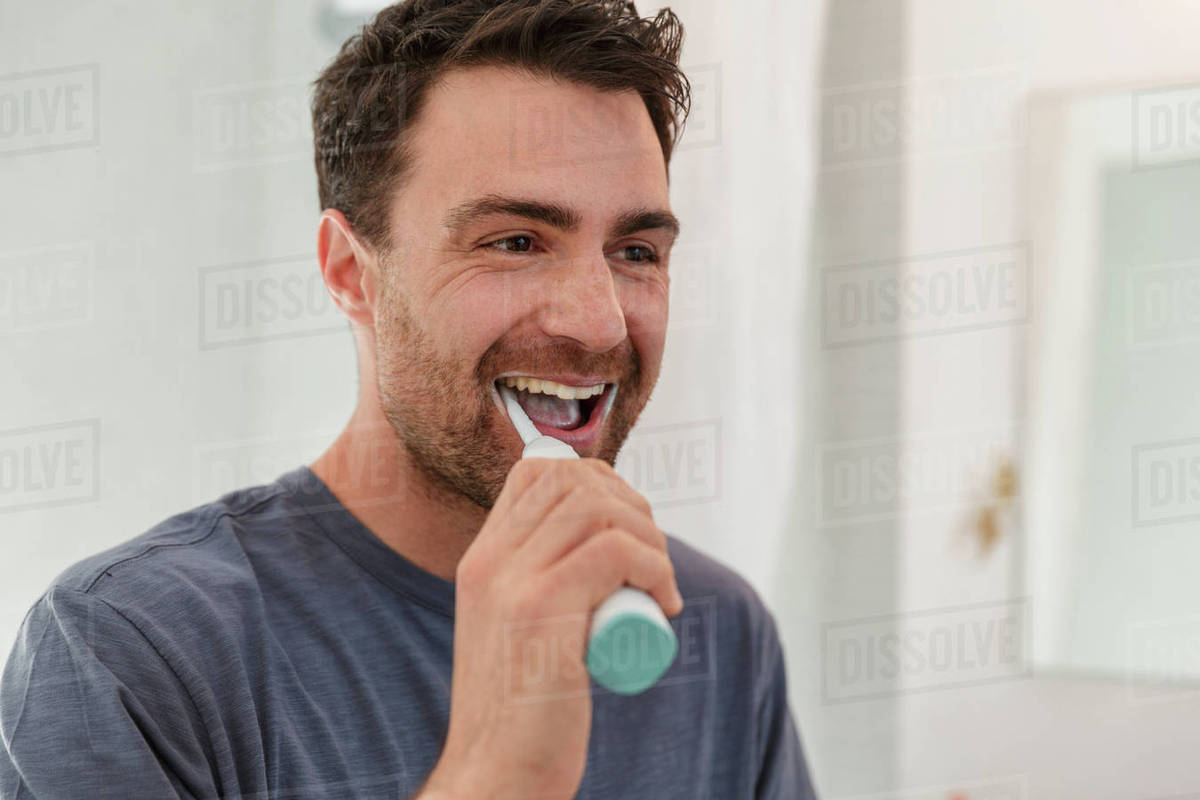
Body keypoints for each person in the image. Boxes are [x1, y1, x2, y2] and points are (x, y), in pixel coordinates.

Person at [0, 1, 817, 797]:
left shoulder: (718, 630)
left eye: (636, 250)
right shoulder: (129, 654)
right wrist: (500, 773)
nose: (600, 320)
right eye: (516, 242)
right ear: (351, 273)